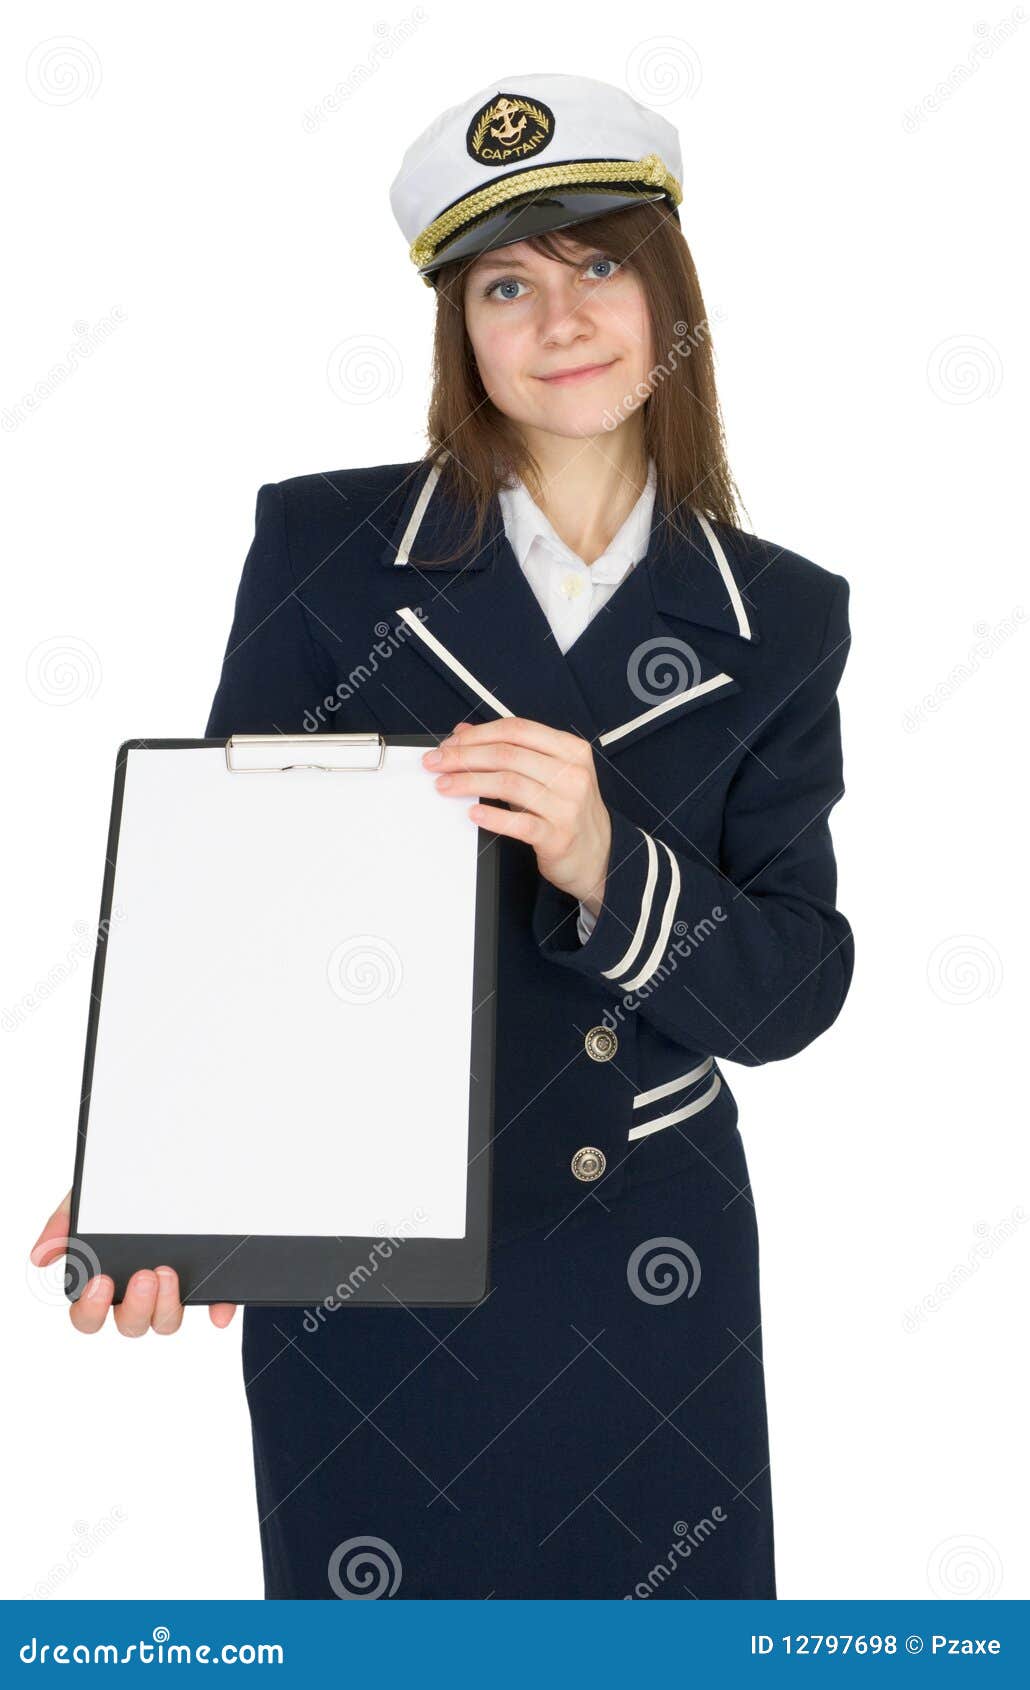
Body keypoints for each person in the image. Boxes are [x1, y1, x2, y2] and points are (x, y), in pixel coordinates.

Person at [33, 72, 854, 1599]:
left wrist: (611, 860)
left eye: (601, 265)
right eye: (505, 285)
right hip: (369, 1257)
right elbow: (229, 890)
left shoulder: (783, 616)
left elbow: (793, 988)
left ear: (668, 293)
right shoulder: (328, 549)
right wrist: (160, 1158)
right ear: (457, 332)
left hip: (645, 1267)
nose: (560, 319)